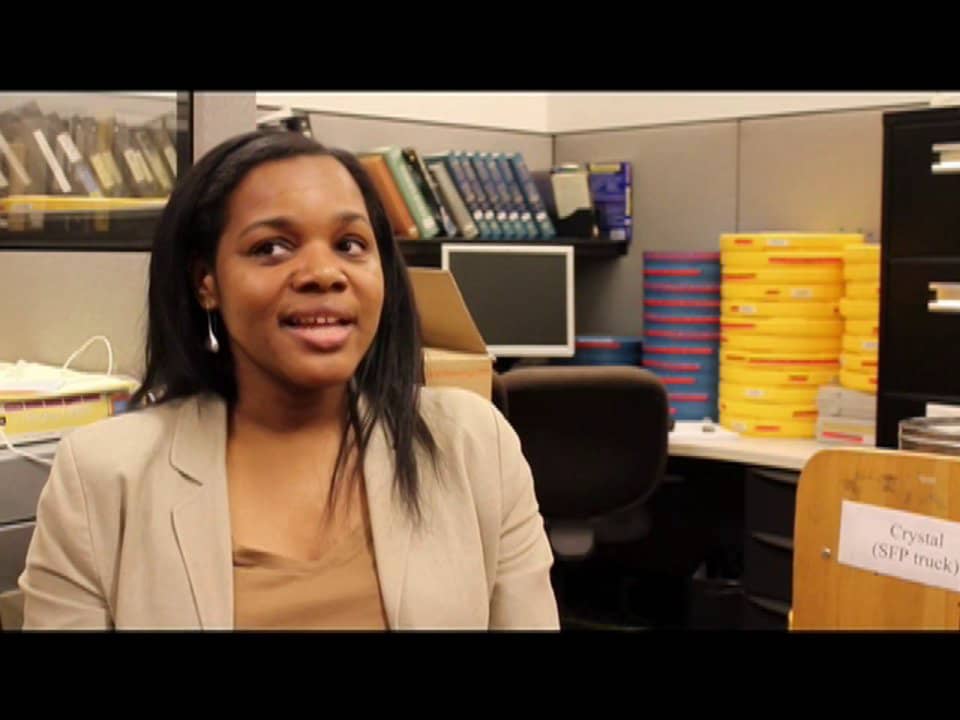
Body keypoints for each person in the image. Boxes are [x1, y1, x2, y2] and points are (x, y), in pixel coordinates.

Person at [18, 130, 559, 630]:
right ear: (206, 281)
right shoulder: (102, 477)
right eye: (271, 248)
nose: (324, 272)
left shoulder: (473, 445)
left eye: (350, 244)